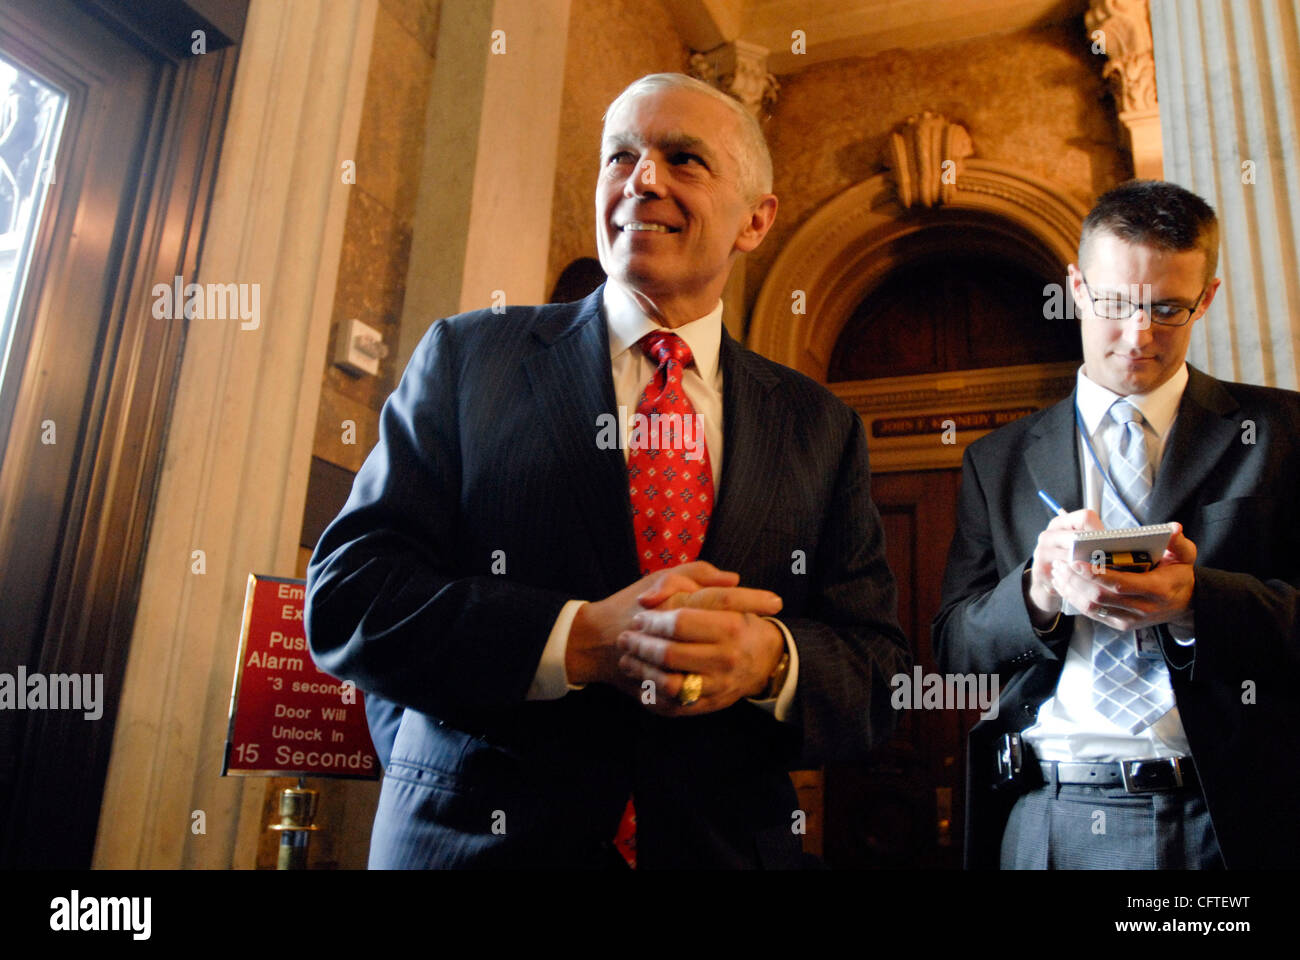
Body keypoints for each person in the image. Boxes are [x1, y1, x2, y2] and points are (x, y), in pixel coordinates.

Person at [305, 73, 908, 869]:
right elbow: (349, 600)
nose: (642, 178)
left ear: (755, 221)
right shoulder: (468, 358)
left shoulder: (819, 427)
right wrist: (580, 641)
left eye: (683, 158)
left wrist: (772, 660)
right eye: (620, 155)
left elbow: (880, 675)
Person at [934, 179, 1300, 869]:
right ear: (1075, 287)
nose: (1139, 335)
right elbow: (954, 650)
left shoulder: (1282, 432)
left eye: (1168, 308)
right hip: (1048, 813)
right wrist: (1037, 594)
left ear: (1208, 299)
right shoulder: (998, 461)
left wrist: (1198, 603)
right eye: (1113, 303)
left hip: (1227, 816)